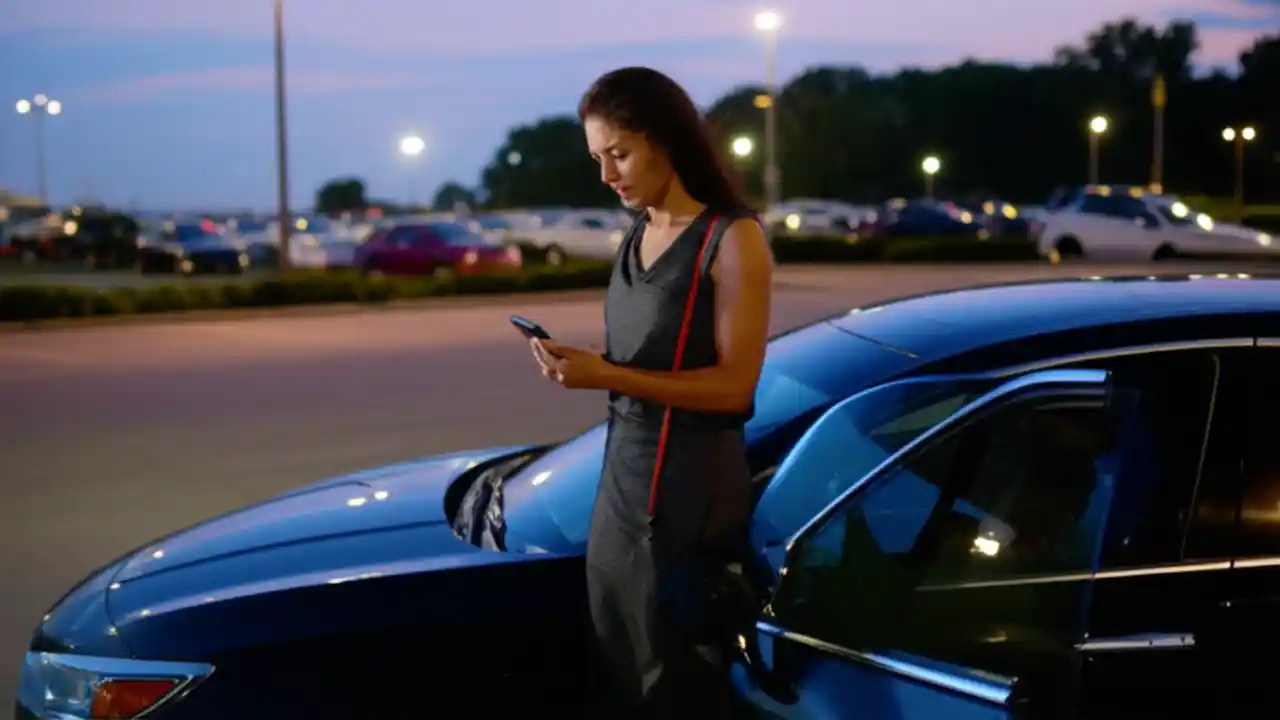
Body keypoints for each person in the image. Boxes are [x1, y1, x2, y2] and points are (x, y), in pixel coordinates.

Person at [526, 66, 773, 718]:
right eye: (597, 158)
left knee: (673, 679)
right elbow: (651, 361)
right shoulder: (637, 232)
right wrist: (587, 366)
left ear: (668, 138)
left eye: (620, 153)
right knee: (618, 670)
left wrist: (606, 374)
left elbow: (734, 387)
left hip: (691, 497)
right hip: (621, 489)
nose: (608, 175)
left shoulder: (732, 238)